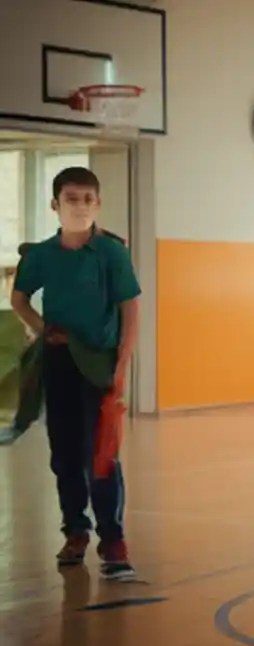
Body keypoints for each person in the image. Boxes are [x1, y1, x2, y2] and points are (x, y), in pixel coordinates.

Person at [10, 167, 140, 580]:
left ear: (97, 204)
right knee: (65, 451)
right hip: (59, 362)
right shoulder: (42, 256)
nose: (80, 205)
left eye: (87, 198)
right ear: (55, 205)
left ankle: (113, 538)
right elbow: (19, 297)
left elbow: (130, 309)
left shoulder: (112, 253)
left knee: (100, 453)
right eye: (71, 198)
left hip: (99, 362)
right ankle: (75, 530)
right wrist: (40, 325)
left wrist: (122, 365)